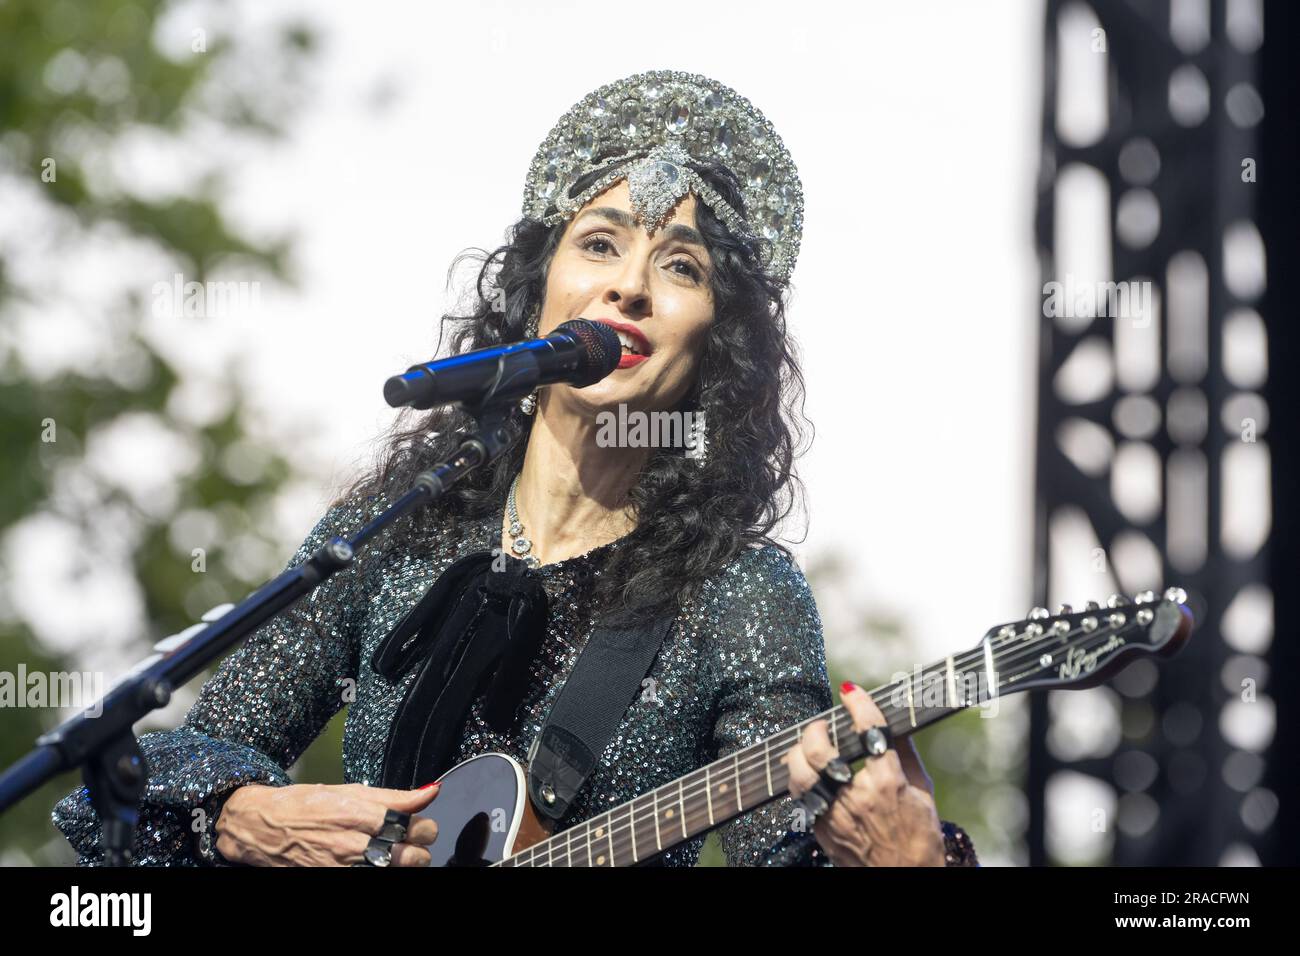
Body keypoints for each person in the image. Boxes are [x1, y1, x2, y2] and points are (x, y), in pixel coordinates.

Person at [53, 70, 977, 867]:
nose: (630, 285)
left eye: (682, 267)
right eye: (600, 242)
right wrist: (243, 816)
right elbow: (137, 788)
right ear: (540, 292)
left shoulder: (738, 595)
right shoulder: (404, 526)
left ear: (715, 349)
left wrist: (909, 856)